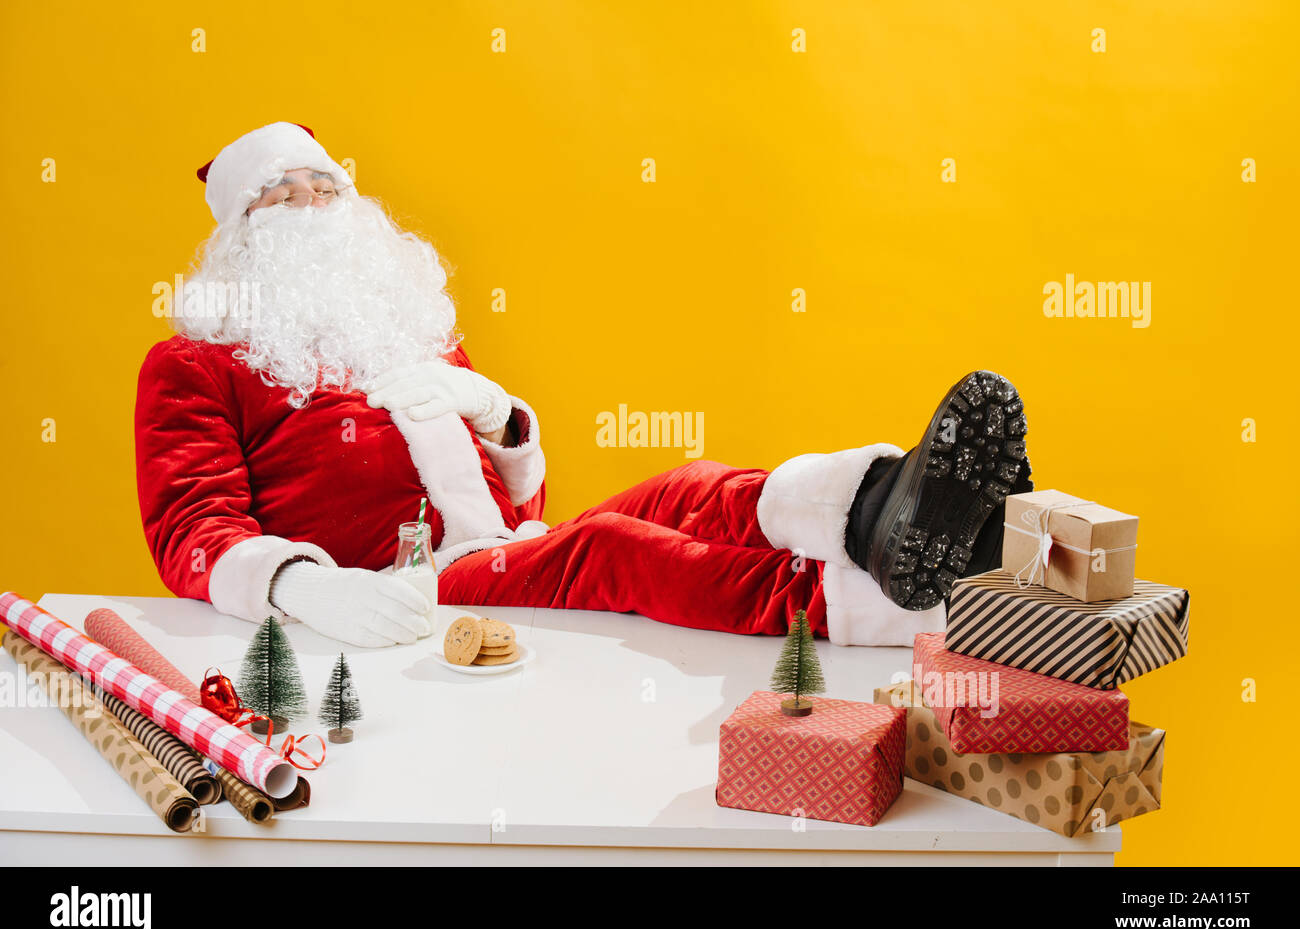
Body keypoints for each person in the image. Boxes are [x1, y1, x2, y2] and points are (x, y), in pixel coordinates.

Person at [135, 122, 1032, 649]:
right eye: (280, 195)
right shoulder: (195, 365)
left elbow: (514, 515)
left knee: (687, 488)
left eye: (321, 184)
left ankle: (888, 508)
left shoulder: (403, 330)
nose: (311, 204)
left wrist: (505, 424)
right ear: (240, 238)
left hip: (488, 555)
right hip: (401, 595)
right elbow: (189, 528)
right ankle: (887, 601)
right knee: (608, 548)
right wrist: (301, 587)